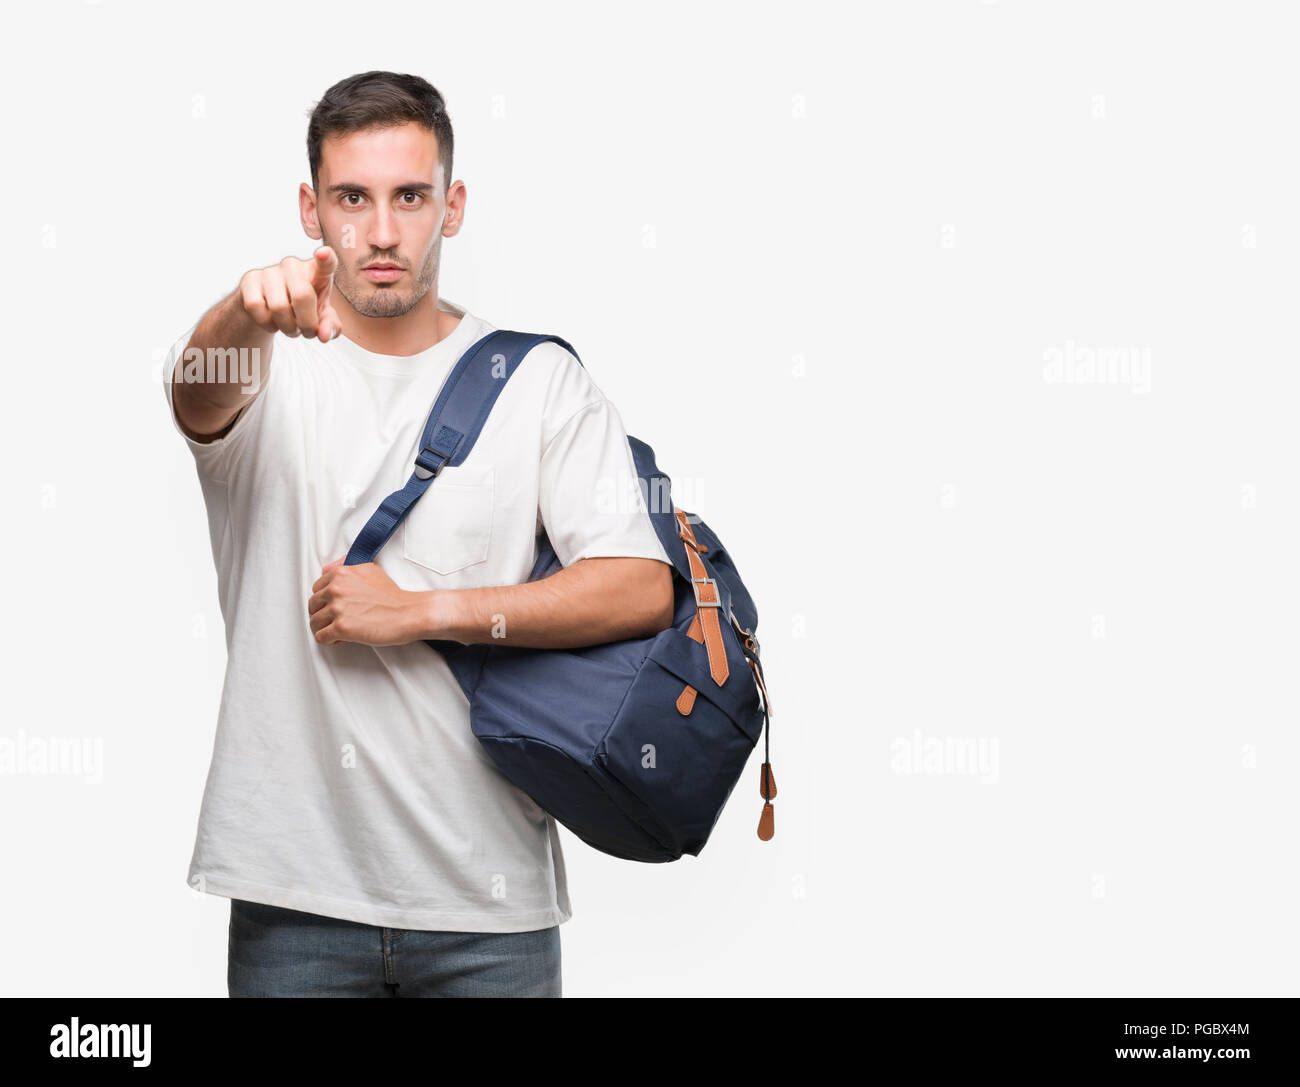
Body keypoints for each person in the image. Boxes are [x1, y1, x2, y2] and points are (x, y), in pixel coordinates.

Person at [161, 70, 675, 997]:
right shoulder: (265, 362)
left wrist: (423, 610)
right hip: (293, 897)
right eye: (352, 199)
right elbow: (194, 396)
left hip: (489, 911)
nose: (384, 231)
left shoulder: (540, 382)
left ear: (455, 205)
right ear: (310, 209)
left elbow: (638, 583)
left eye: (411, 196)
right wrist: (247, 306)